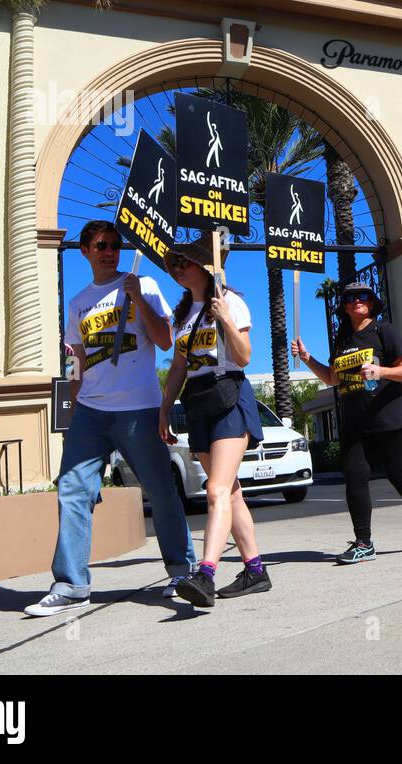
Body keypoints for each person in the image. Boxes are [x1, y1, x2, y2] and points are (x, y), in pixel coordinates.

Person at [25, 221, 195, 617]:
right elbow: (77, 360)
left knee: (161, 489)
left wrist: (138, 299)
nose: (110, 251)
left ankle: (181, 570)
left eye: (115, 245)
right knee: (72, 489)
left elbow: (166, 340)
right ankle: (71, 584)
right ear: (84, 251)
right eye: (101, 245)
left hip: (138, 407)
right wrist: (71, 404)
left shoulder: (143, 285)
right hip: (90, 410)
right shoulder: (79, 303)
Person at [296, 282, 402, 561]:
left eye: (362, 296)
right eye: (349, 298)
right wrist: (307, 358)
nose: (356, 301)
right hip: (354, 419)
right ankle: (364, 542)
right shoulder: (343, 339)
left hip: (386, 414)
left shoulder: (383, 330)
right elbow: (333, 379)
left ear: (371, 302)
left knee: (397, 473)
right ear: (345, 306)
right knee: (355, 476)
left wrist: (380, 370)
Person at [161, 242, 269, 607]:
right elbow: (178, 368)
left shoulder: (230, 302)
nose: (178, 267)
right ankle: (255, 569)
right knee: (230, 491)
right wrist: (164, 409)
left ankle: (206, 573)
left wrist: (223, 317)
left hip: (228, 395)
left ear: (206, 268)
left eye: (185, 261)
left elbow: (244, 356)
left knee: (216, 489)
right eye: (175, 263)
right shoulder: (183, 315)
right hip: (198, 399)